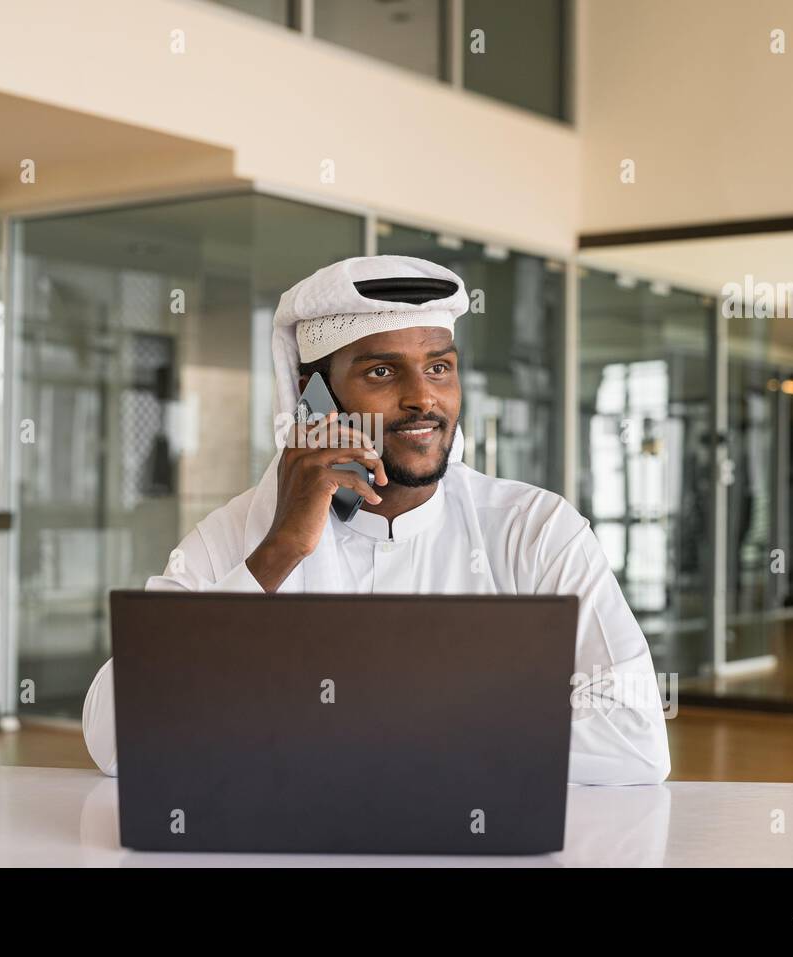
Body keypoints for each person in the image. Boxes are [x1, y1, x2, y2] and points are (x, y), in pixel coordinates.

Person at [82, 254, 670, 785]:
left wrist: (369, 730)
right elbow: (115, 736)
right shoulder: (244, 532)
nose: (423, 398)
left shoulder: (534, 529)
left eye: (438, 368)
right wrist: (279, 552)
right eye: (382, 373)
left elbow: (636, 736)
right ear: (314, 397)